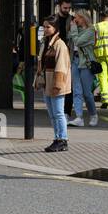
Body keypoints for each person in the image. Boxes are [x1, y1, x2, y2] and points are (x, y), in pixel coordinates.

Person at [35, 16, 73, 152]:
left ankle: (62, 140)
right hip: (48, 83)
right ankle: (57, 138)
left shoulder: (59, 44)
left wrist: (57, 85)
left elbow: (61, 67)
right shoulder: (45, 43)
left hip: (56, 84)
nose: (45, 29)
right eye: (44, 27)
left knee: (58, 113)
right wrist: (38, 80)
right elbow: (41, 64)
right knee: (52, 114)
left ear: (55, 28)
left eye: (48, 27)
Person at [67, 9, 99, 128]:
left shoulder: (90, 30)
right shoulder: (77, 29)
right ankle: (79, 117)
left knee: (87, 93)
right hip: (75, 61)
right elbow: (69, 38)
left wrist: (73, 30)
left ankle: (93, 114)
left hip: (86, 63)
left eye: (77, 17)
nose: (75, 20)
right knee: (76, 91)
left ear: (83, 18)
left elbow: (78, 41)